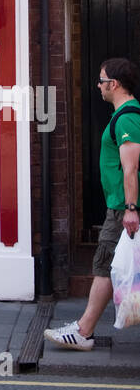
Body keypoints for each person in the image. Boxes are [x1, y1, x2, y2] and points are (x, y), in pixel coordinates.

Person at [44, 57, 140, 350]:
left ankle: (83, 332)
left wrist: (131, 209)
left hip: (124, 209)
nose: (97, 86)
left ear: (114, 84)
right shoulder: (124, 116)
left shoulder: (127, 118)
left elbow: (130, 168)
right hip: (120, 206)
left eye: (101, 80)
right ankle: (83, 330)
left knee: (104, 265)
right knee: (107, 266)